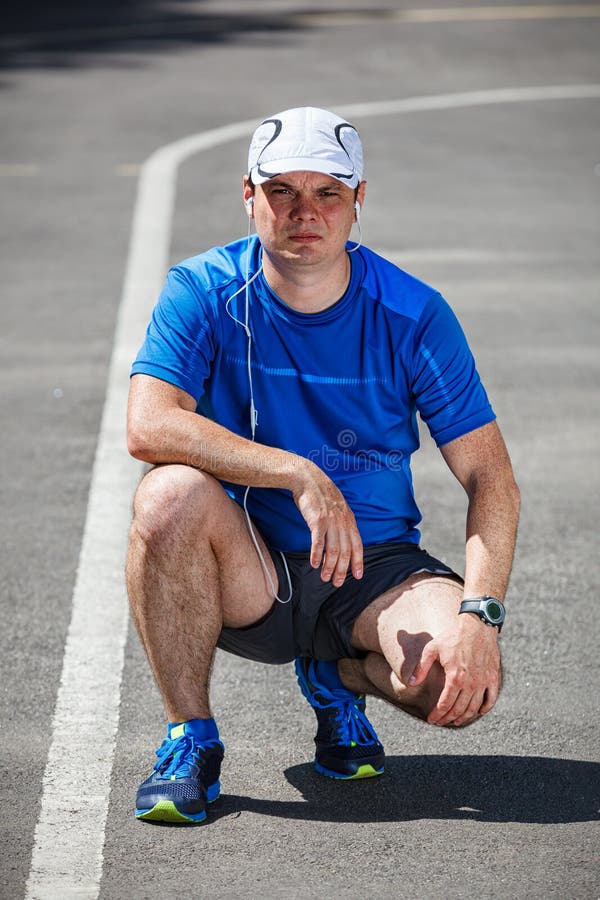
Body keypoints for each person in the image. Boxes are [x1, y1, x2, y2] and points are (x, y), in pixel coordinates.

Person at [126, 106, 520, 824]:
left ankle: (335, 675)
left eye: (328, 193)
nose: (305, 212)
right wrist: (296, 473)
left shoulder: (414, 313)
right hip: (255, 567)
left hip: (377, 568)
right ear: (249, 196)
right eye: (283, 192)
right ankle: (192, 735)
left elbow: (490, 477)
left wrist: (479, 615)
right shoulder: (204, 290)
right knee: (165, 495)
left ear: (358, 201)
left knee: (458, 689)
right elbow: (147, 423)